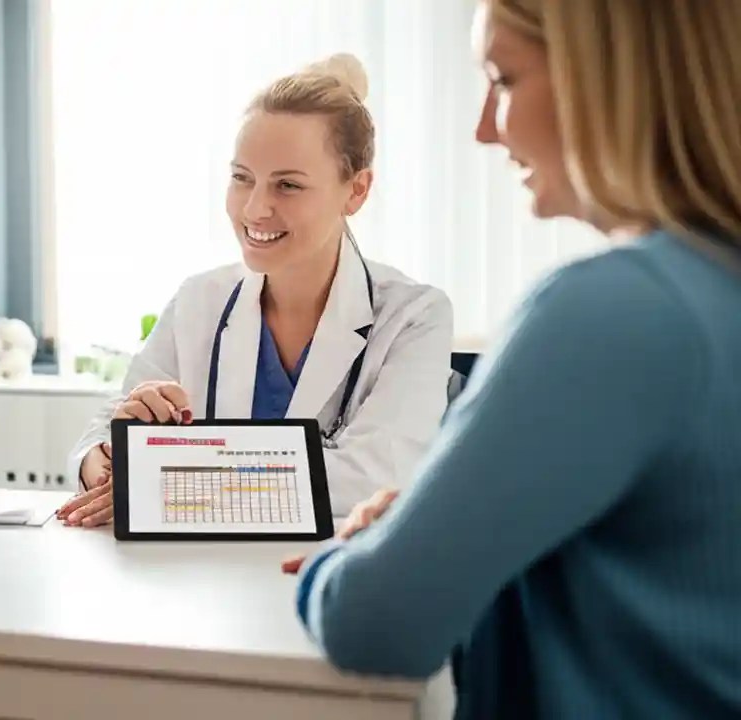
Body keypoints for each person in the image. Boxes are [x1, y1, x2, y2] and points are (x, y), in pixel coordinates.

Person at [287, 1, 741, 718]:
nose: (483, 128)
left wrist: (349, 559)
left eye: (502, 80)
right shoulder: (714, 295)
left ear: (610, 77)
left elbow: (375, 621)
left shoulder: (614, 311)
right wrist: (453, 524)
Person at [58, 54, 455, 527]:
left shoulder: (414, 316)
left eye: (287, 185)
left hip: (319, 577)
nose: (255, 208)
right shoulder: (199, 302)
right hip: (198, 582)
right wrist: (109, 458)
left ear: (357, 191)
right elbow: (101, 436)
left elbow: (373, 477)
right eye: (242, 178)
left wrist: (164, 479)